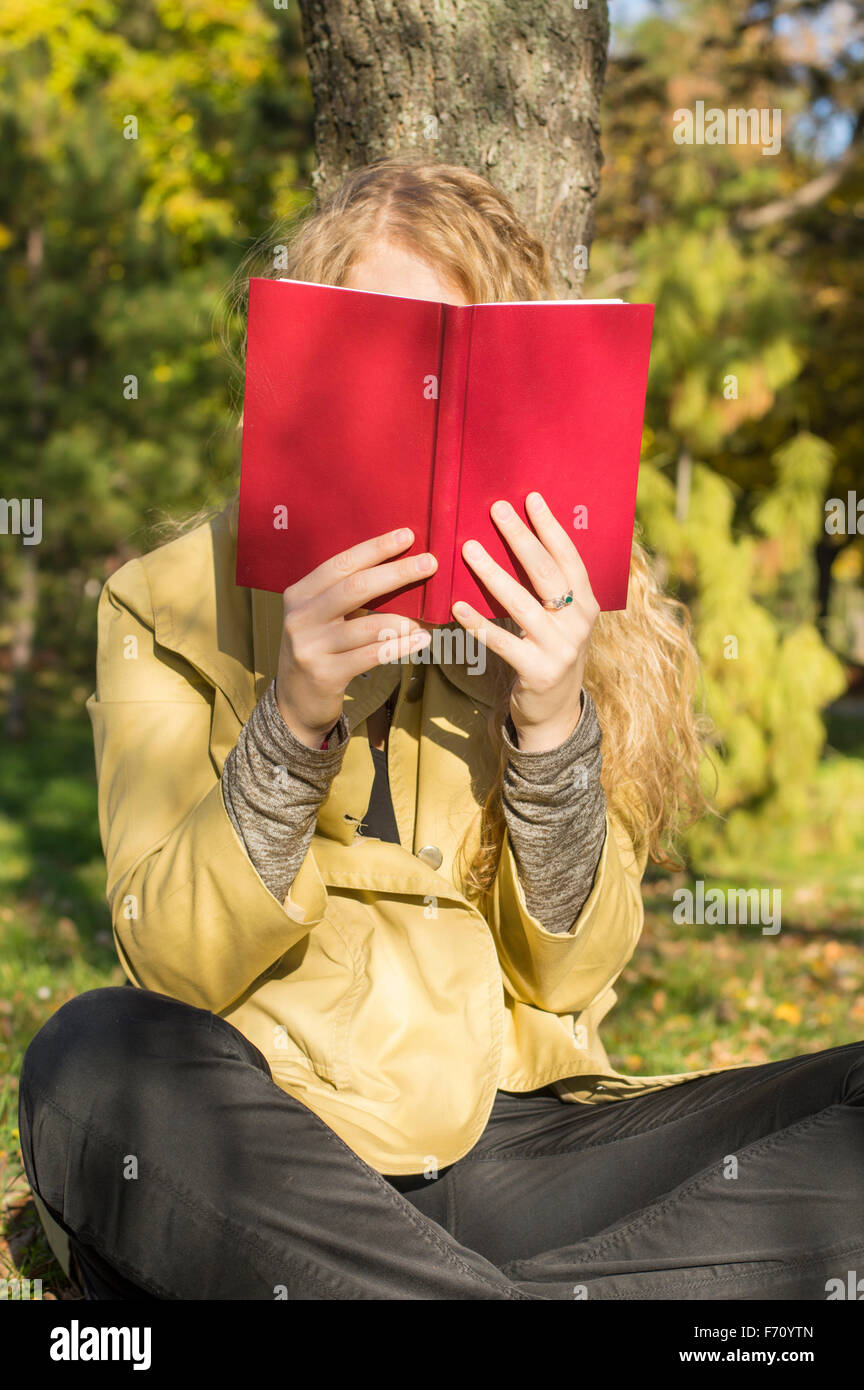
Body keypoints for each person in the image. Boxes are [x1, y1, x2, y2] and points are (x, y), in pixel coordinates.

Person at [19, 158, 864, 1301]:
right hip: (267, 1147)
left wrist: (553, 715)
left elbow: (571, 972)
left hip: (514, 1145)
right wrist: (294, 716)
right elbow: (164, 959)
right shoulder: (168, 605)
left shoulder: (565, 617)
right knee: (91, 1060)